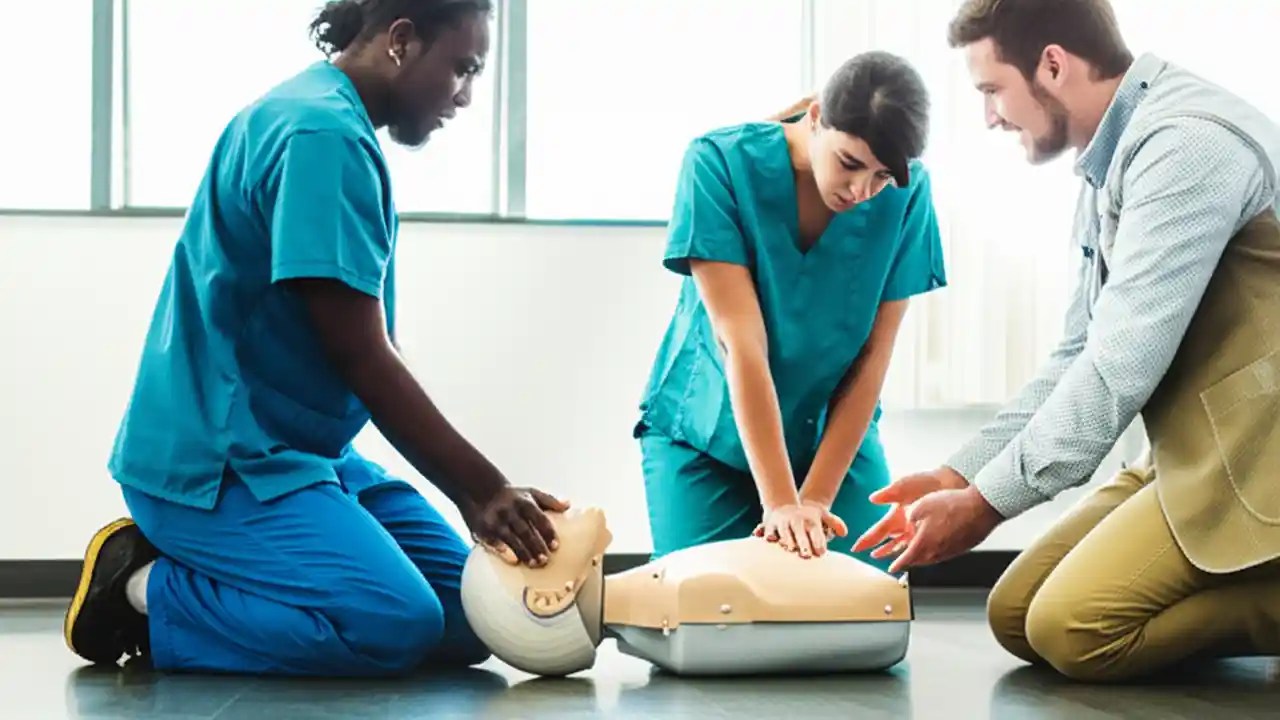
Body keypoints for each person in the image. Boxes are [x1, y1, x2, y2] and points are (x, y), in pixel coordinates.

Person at [63, 0, 568, 677]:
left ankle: (235, 587)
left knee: (468, 617)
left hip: (301, 457)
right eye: (462, 69)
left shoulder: (328, 120)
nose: (467, 96)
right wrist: (483, 489)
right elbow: (361, 354)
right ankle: (141, 590)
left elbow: (358, 348)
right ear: (401, 40)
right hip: (220, 465)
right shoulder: (319, 135)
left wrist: (476, 490)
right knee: (394, 622)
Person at [855, 0, 1280, 682]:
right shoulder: (1114, 158)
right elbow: (1079, 351)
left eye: (992, 90)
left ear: (1052, 64)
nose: (991, 116)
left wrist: (985, 507)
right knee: (1015, 615)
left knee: (1073, 629)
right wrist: (958, 476)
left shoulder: (1187, 146)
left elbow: (1118, 369)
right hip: (1195, 450)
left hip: (1260, 455)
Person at [635, 51, 947, 567]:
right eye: (849, 163)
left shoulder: (909, 194)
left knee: (862, 616)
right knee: (708, 617)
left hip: (829, 430)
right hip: (708, 432)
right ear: (817, 116)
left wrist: (817, 500)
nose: (861, 192)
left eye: (882, 178)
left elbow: (875, 356)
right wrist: (781, 503)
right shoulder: (716, 164)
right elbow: (742, 343)